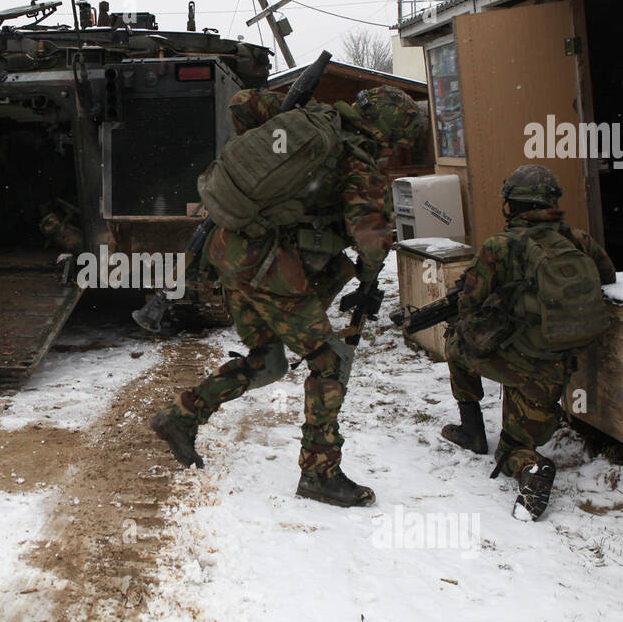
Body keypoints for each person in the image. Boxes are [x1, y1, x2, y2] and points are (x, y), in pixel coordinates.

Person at [150, 85, 427, 508]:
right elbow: (371, 240)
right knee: (331, 360)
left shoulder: (312, 121)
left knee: (269, 361)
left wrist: (272, 146)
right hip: (269, 267)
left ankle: (181, 416)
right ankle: (320, 472)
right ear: (390, 130)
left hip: (230, 250)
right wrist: (368, 278)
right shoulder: (358, 160)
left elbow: (242, 102)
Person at [439, 164, 616, 522]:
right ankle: (525, 462)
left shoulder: (499, 247)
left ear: (511, 204)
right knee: (515, 444)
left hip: (516, 360)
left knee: (454, 341)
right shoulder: (578, 239)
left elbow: (468, 305)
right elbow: (607, 276)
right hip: (557, 369)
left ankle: (476, 431)